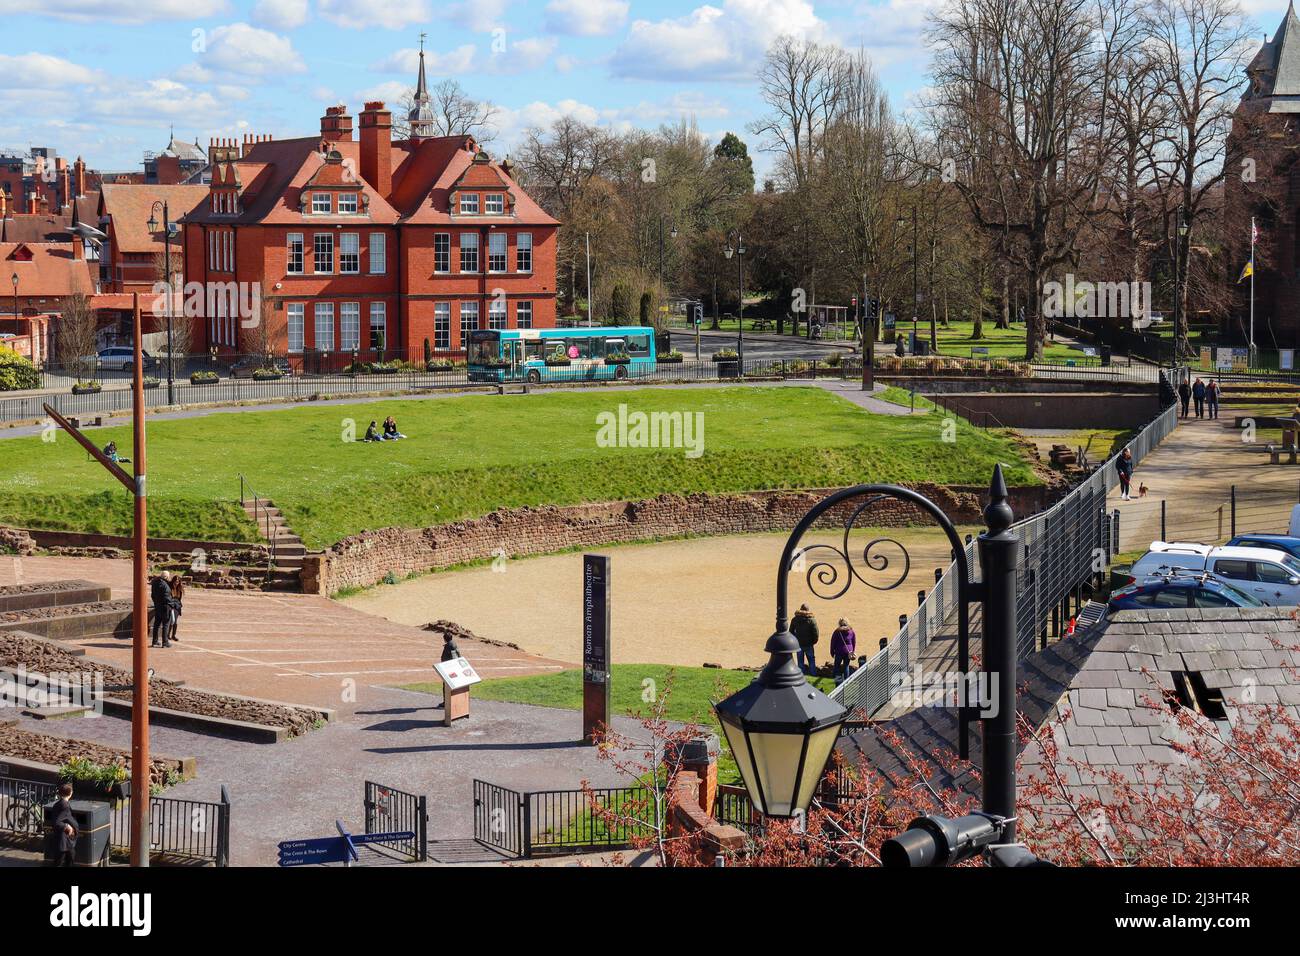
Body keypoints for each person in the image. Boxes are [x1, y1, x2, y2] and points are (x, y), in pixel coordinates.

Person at [44, 782, 77, 867]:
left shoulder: (58, 804)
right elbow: (57, 822)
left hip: (64, 839)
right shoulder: (64, 805)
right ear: (70, 793)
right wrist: (67, 826)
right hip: (64, 839)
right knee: (62, 861)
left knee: (69, 858)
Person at [790, 603, 819, 675]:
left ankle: (801, 675)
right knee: (811, 660)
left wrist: (795, 640)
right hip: (809, 643)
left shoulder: (795, 619)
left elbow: (791, 631)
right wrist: (813, 641)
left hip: (798, 643)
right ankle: (813, 674)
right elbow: (815, 633)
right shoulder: (812, 620)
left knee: (800, 661)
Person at [150, 571, 175, 648]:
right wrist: (172, 605)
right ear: (166, 577)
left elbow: (153, 595)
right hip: (165, 607)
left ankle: (155, 641)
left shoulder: (154, 583)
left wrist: (156, 603)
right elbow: (166, 597)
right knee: (166, 624)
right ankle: (165, 642)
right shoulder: (165, 585)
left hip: (158, 606)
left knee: (156, 624)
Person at [830, 618, 857, 685]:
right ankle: (846, 681)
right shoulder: (851, 631)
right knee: (846, 666)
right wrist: (852, 651)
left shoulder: (837, 631)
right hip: (848, 652)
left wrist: (832, 652)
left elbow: (833, 642)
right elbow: (854, 642)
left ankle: (838, 681)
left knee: (837, 666)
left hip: (839, 652)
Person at [167, 576, 184, 643]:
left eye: (178, 581)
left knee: (175, 621)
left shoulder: (179, 589)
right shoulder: (170, 588)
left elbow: (179, 599)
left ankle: (173, 635)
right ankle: (168, 635)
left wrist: (179, 605)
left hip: (177, 606)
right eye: (175, 581)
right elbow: (170, 598)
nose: (176, 582)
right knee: (172, 620)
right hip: (171, 606)